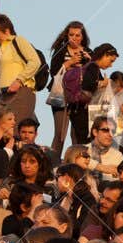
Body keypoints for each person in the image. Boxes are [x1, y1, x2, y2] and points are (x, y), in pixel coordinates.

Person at [46, 20, 91, 155]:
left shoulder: (88, 52)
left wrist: (89, 62)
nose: (74, 38)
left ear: (83, 37)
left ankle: (76, 164)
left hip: (80, 98)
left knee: (77, 133)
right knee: (60, 133)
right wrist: (69, 63)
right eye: (72, 35)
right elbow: (54, 72)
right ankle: (53, 163)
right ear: (67, 36)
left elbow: (94, 75)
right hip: (62, 95)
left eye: (78, 35)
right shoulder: (60, 51)